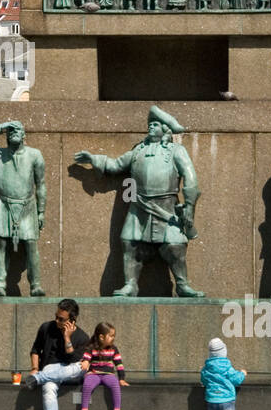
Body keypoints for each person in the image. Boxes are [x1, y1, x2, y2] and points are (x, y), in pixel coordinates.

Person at [73, 106, 202, 298]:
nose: (151, 127)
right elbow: (116, 164)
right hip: (139, 206)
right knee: (130, 243)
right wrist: (95, 159)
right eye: (149, 124)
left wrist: (190, 207)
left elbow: (191, 178)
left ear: (166, 129)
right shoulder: (138, 150)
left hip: (166, 206)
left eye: (155, 124)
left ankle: (182, 284)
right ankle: (130, 284)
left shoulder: (177, 150)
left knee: (175, 245)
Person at [0, 120, 47, 297]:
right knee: (1, 244)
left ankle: (35, 284)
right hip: (4, 205)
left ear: (24, 135)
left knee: (31, 244)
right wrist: (2, 126)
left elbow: (41, 184)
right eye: (11, 131)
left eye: (18, 130)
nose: (14, 133)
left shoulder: (35, 155)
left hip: (27, 205)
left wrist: (41, 211)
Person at [22, 298, 91, 410]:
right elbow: (35, 350)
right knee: (48, 388)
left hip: (70, 370)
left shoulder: (83, 337)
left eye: (61, 319)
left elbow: (73, 359)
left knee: (81, 366)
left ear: (72, 320)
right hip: (49, 369)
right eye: (56, 317)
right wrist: (35, 368)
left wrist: (67, 337)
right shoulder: (46, 327)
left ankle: (39, 378)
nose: (57, 321)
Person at [77, 322, 127, 410]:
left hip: (108, 374)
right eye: (111, 336)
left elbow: (119, 364)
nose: (113, 338)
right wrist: (85, 361)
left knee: (115, 385)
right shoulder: (91, 347)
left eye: (114, 336)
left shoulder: (113, 349)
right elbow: (86, 357)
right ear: (101, 337)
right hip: (94, 374)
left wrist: (121, 378)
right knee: (87, 385)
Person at [201, 337, 247, 410]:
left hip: (212, 399)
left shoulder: (207, 367)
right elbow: (236, 379)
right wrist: (242, 373)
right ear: (224, 351)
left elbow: (203, 379)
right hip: (227, 399)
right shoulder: (227, 366)